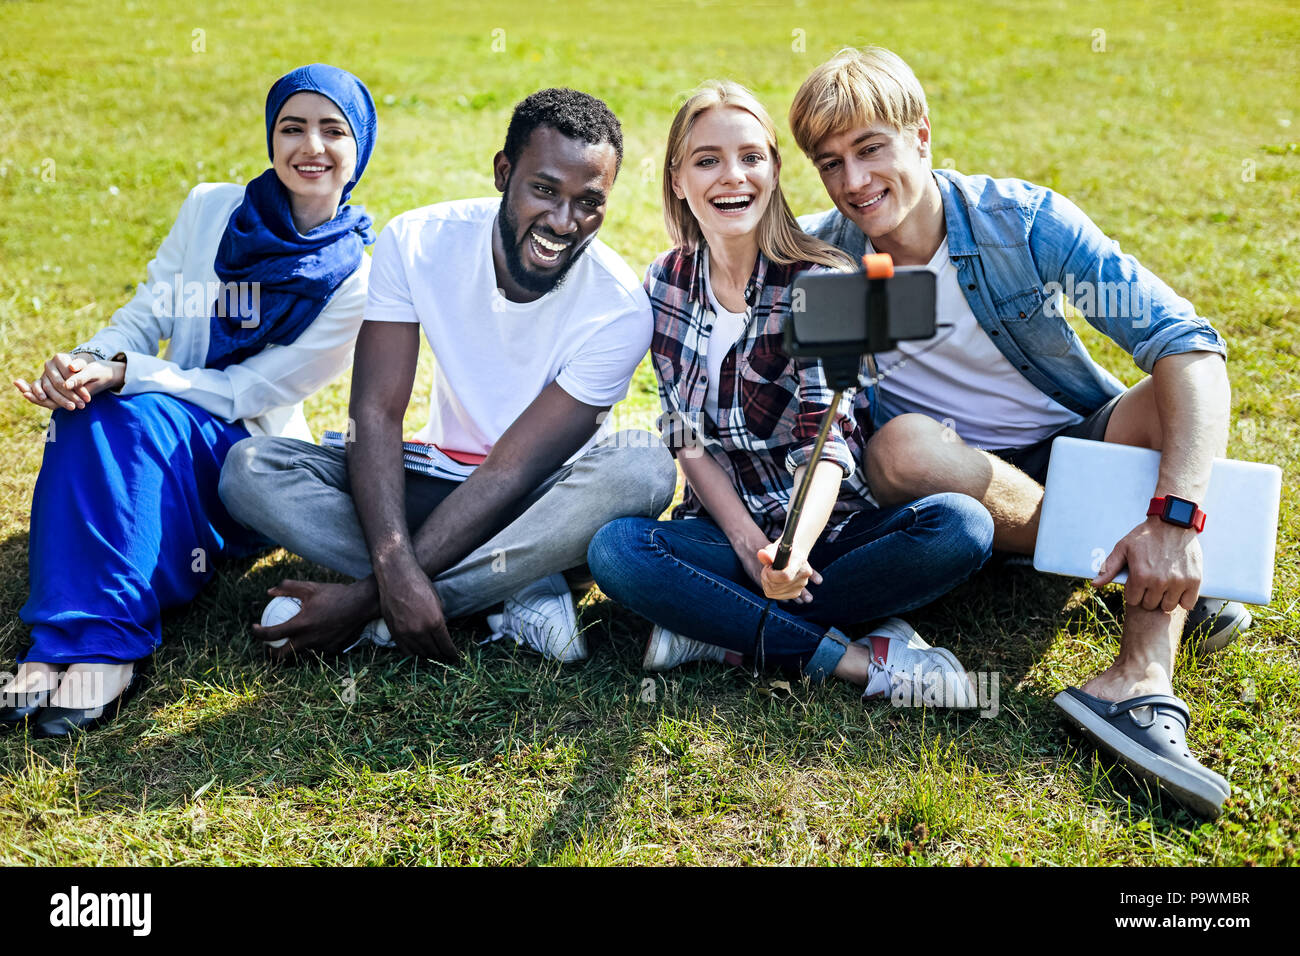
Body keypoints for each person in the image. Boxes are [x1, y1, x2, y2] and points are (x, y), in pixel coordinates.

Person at [790, 47, 1238, 815]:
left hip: (1081, 449)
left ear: (921, 135)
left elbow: (1187, 344)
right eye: (830, 163)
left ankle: (1138, 681)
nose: (854, 183)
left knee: (1169, 397)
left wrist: (1176, 517)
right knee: (899, 448)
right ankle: (1123, 567)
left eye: (871, 149)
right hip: (956, 485)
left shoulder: (1020, 221)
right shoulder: (823, 264)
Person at [218, 88, 677, 665]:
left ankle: (399, 608)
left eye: (589, 201)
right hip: (435, 482)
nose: (564, 222)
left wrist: (361, 600)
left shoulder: (620, 308)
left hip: (544, 504)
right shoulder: (416, 241)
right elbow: (375, 415)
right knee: (250, 470)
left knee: (644, 465)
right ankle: (507, 591)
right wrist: (393, 564)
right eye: (544, 190)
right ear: (503, 171)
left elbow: (515, 468)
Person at [586, 81, 993, 703]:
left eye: (752, 157)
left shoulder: (825, 282)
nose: (733, 177)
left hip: (830, 537)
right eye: (707, 160)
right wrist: (753, 551)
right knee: (618, 551)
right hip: (726, 534)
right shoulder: (664, 283)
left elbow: (828, 440)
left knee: (961, 526)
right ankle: (857, 660)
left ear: (774, 171)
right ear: (677, 179)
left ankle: (717, 629)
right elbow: (683, 437)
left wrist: (792, 551)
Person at [2, 64, 378, 736]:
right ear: (271, 138)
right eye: (292, 128)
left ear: (361, 149)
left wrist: (132, 373)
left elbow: (247, 390)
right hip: (158, 419)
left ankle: (104, 647)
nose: (310, 147)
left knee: (130, 413)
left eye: (333, 130)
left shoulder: (357, 278)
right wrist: (89, 362)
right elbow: (146, 313)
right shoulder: (212, 208)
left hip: (246, 457)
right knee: (90, 411)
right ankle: (62, 640)